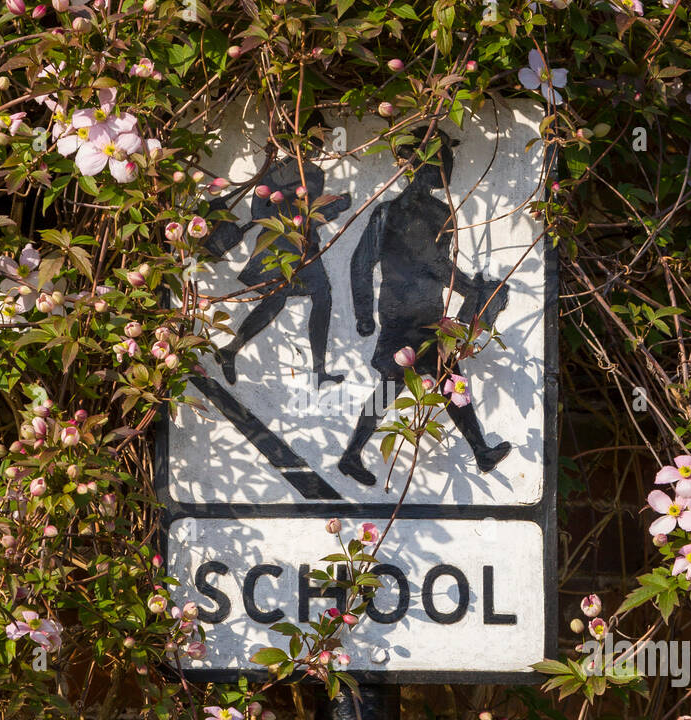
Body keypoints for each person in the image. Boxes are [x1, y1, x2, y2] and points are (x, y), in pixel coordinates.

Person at [338, 128, 511, 486]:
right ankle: (352, 454)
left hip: (420, 314)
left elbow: (364, 263)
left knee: (446, 381)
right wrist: (470, 288)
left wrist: (364, 314)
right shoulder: (420, 213)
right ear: (426, 165)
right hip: (406, 318)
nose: (448, 163)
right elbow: (431, 262)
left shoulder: (404, 211)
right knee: (398, 385)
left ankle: (480, 451)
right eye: (442, 156)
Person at [215, 154, 351, 388]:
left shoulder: (316, 174)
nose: (316, 148)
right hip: (277, 246)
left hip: (303, 246)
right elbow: (260, 213)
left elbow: (309, 216)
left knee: (315, 297)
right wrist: (330, 211)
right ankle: (231, 350)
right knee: (281, 301)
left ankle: (318, 369)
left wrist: (332, 208)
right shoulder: (274, 170)